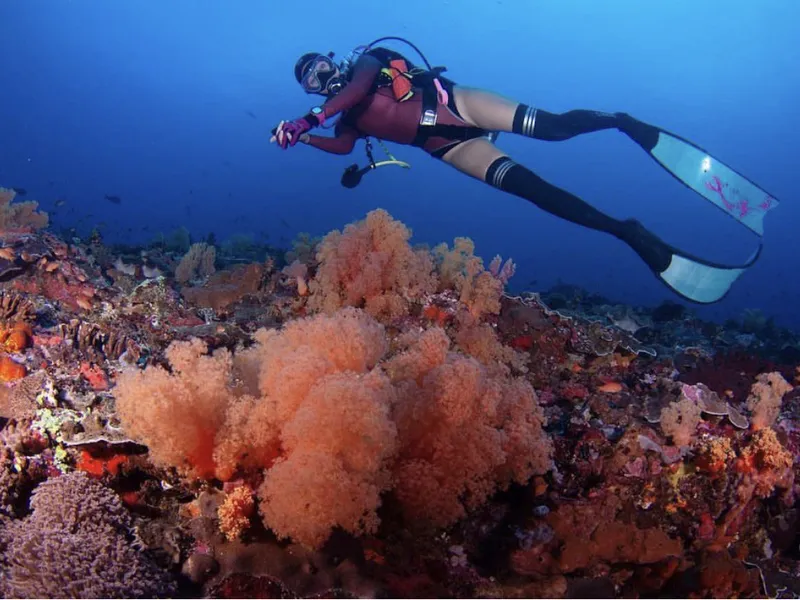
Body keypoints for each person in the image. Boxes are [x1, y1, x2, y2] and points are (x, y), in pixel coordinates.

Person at [271, 38, 780, 304]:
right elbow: (341, 148)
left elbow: (357, 89)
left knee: (554, 128)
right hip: (444, 146)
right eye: (312, 82)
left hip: (461, 107)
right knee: (537, 192)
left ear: (331, 60)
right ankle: (630, 234)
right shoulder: (347, 118)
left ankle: (622, 122)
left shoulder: (368, 63)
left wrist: (306, 118)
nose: (321, 78)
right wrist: (306, 137)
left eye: (319, 67)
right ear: (314, 89)